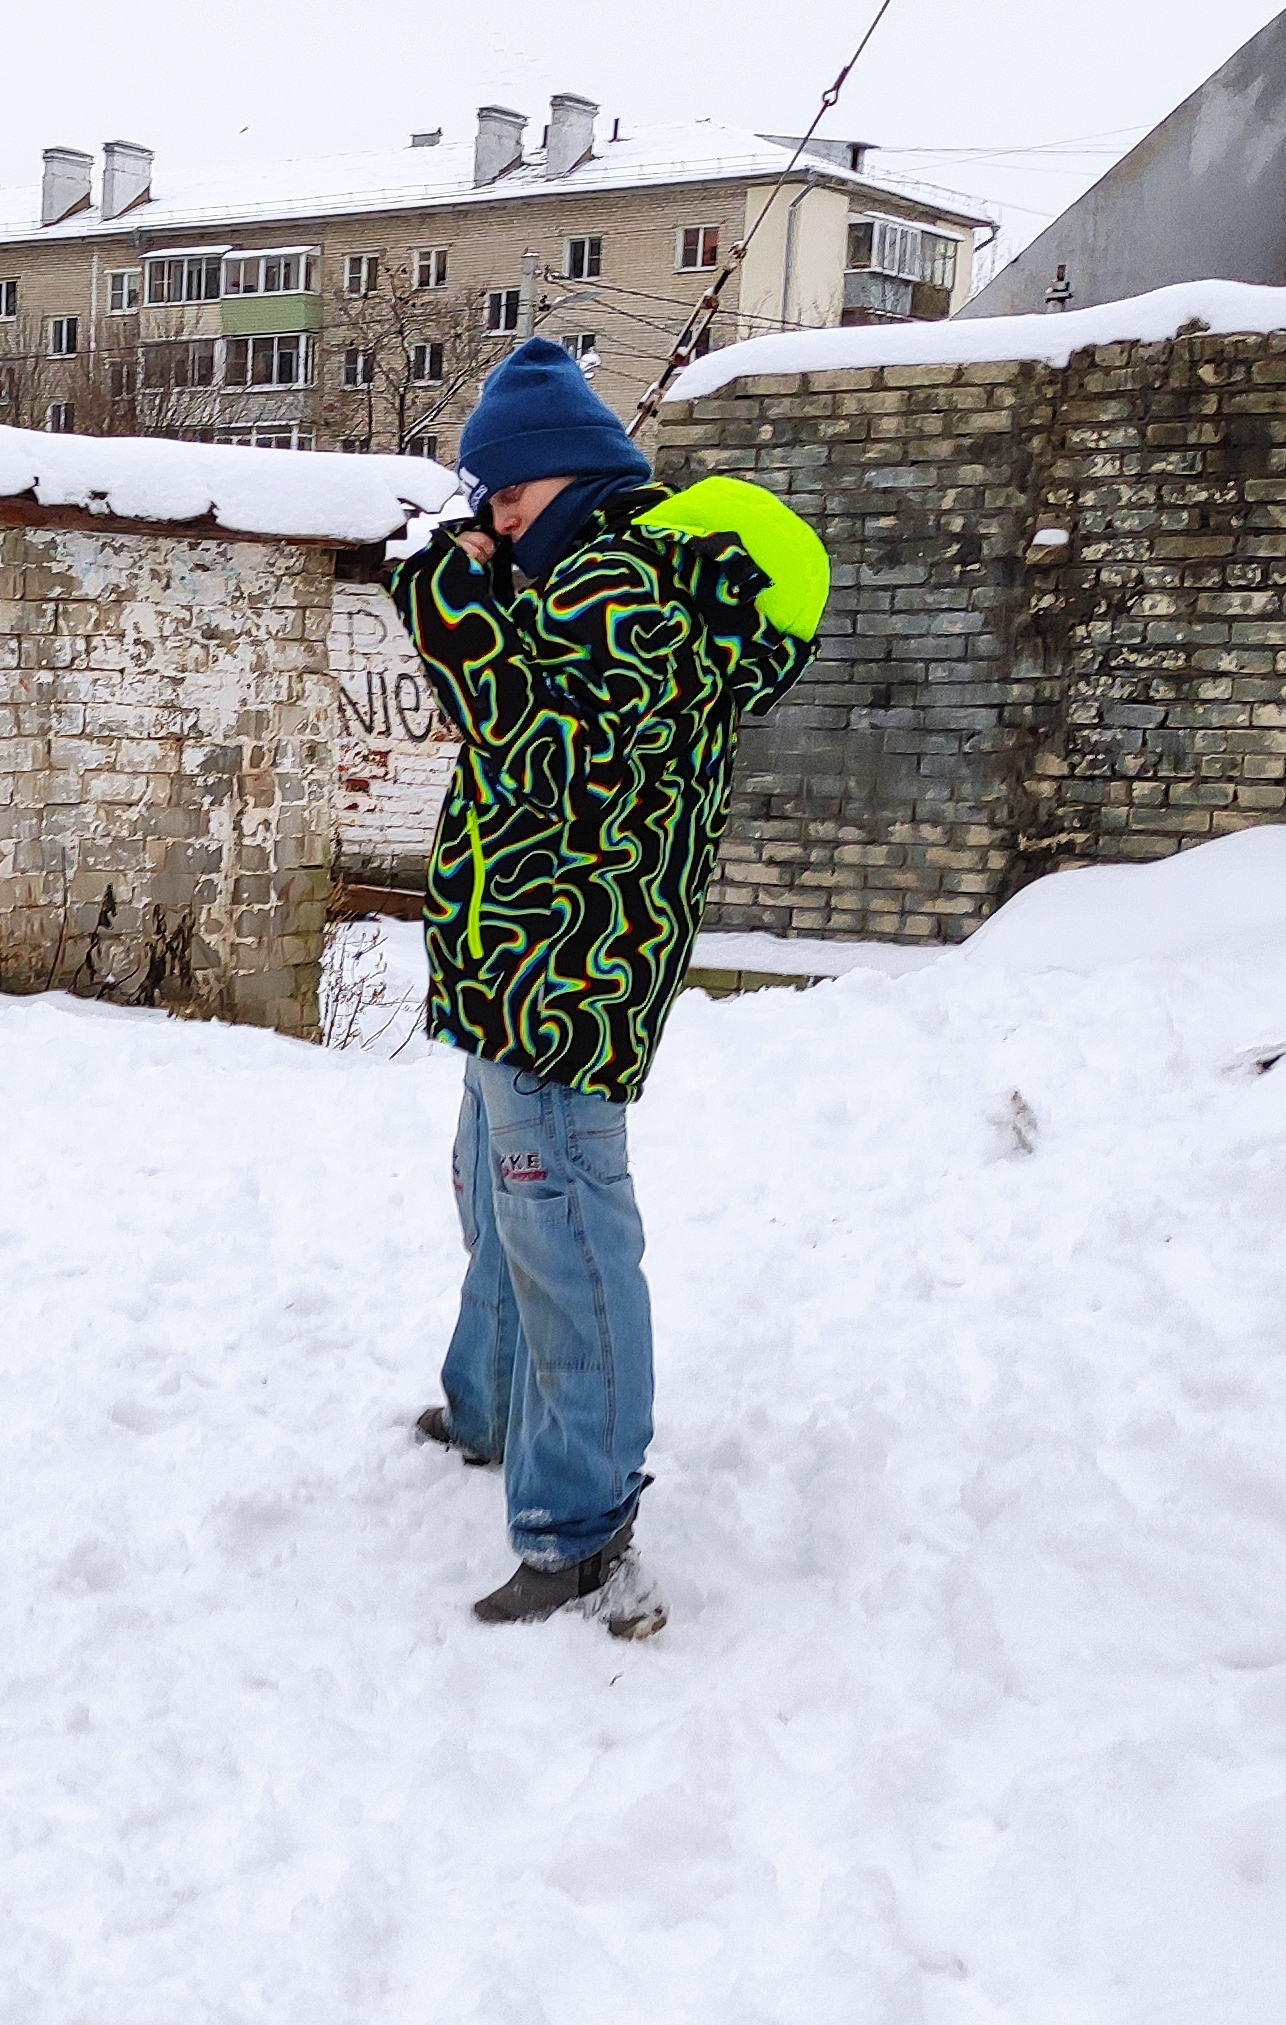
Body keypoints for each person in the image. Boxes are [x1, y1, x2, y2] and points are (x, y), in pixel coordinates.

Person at [387, 337, 820, 1635]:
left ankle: (579, 1528)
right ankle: (487, 1406)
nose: (487, 530)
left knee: (565, 1230)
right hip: (513, 967)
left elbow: (519, 713)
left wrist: (435, 595)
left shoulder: (637, 590)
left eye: (500, 505)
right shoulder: (583, 578)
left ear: (558, 480)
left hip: (568, 981)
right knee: (492, 1195)